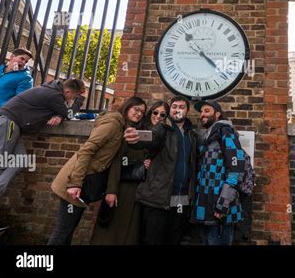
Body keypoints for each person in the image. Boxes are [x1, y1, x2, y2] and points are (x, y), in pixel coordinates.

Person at [47, 96, 147, 245]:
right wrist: (75, 183)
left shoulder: (122, 126)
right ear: (127, 107)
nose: (139, 114)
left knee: (68, 231)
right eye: (136, 109)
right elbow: (87, 150)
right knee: (62, 232)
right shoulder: (113, 123)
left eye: (142, 112)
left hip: (83, 184)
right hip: (75, 182)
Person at [0, 78, 85, 235]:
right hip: (8, 124)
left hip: (13, 126)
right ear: (67, 92)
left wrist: (59, 115)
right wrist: (79, 101)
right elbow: (70, 114)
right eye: (73, 96)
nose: (72, 99)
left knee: (21, 160)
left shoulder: (52, 92)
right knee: (1, 164)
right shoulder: (54, 96)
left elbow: (63, 113)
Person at [90, 100, 169, 245]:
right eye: (155, 112)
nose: (158, 116)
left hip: (145, 192)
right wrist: (111, 190)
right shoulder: (134, 131)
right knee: (112, 231)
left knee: (132, 234)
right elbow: (117, 161)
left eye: (163, 114)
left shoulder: (165, 137)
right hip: (124, 187)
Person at [128, 96, 198, 245]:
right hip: (158, 198)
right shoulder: (163, 128)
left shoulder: (192, 134)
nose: (177, 110)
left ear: (187, 111)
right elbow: (151, 138)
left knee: (174, 240)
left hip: (182, 200)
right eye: (174, 107)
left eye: (181, 107)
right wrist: (136, 139)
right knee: (153, 241)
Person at [191, 100, 245, 245]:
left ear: (218, 114)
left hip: (220, 210)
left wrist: (223, 204)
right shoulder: (208, 135)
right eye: (201, 112)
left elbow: (237, 168)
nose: (202, 114)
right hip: (205, 207)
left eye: (206, 111)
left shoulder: (224, 131)